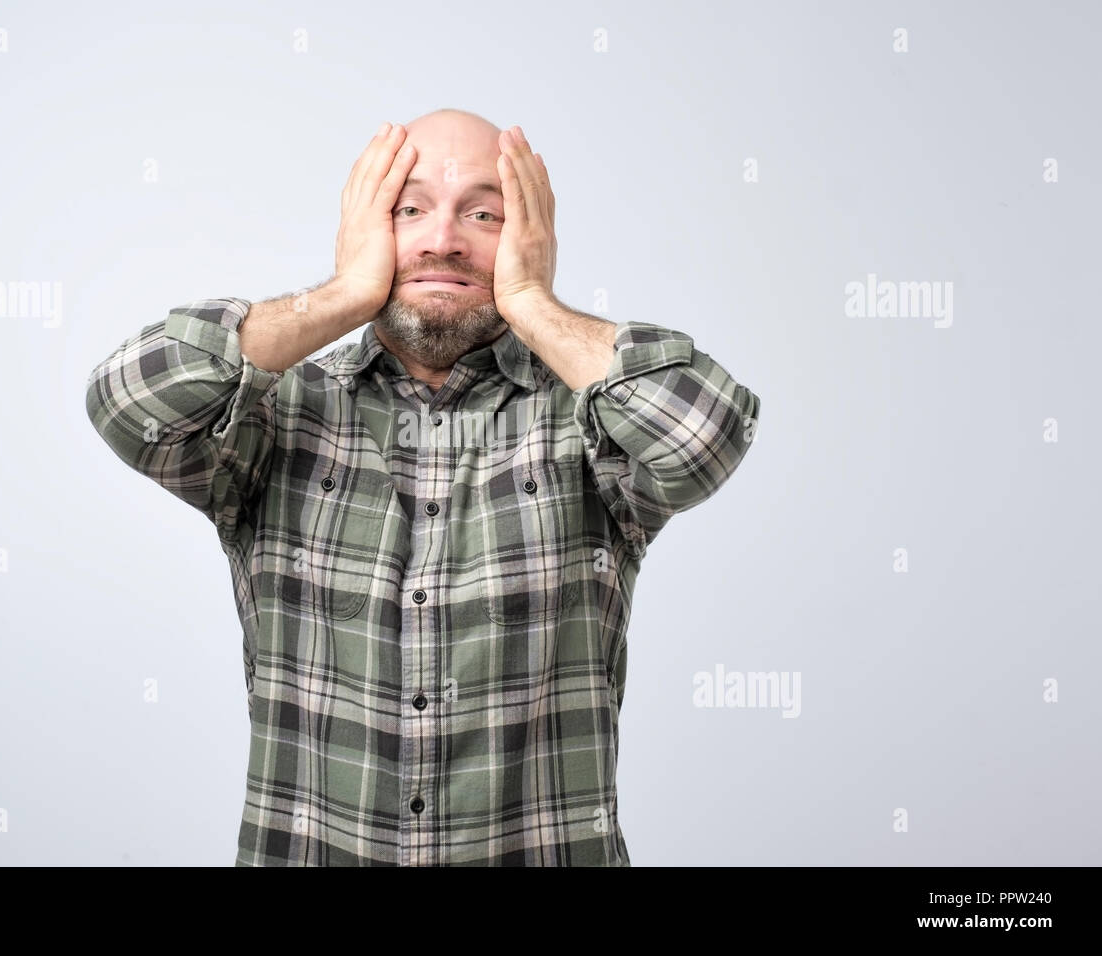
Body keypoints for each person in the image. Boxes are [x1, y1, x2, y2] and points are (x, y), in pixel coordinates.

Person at [85, 108, 761, 865]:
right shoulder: (273, 413)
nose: (444, 240)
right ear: (365, 226)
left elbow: (707, 432)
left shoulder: (589, 420)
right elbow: (125, 399)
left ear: (527, 239)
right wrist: (343, 294)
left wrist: (533, 304)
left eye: (483, 213)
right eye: (410, 210)